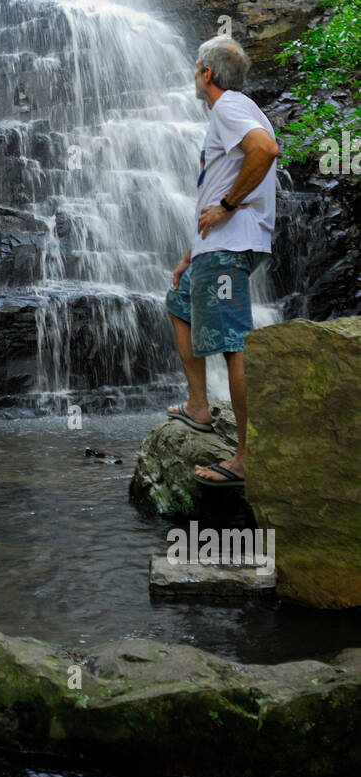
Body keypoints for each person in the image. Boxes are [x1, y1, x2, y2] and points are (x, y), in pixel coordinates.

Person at [165, 36, 280, 489]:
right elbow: (225, 177)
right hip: (216, 247)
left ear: (206, 74)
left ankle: (246, 458)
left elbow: (265, 152)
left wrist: (228, 206)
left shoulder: (229, 108)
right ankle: (199, 406)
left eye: (196, 69)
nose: (194, 75)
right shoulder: (240, 107)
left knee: (233, 343)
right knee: (179, 299)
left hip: (231, 244)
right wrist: (192, 249)